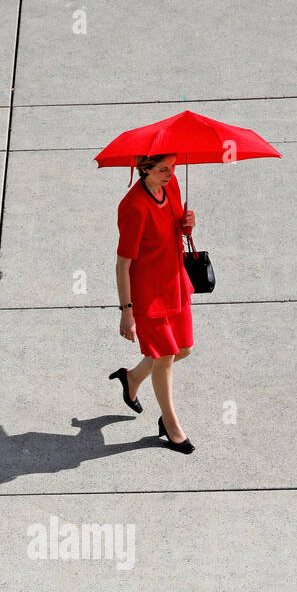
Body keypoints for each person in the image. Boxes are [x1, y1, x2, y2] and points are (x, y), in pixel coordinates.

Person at [109, 152, 196, 453]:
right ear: (144, 170)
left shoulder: (170, 188)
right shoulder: (133, 208)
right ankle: (171, 425)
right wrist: (126, 312)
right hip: (148, 296)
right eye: (163, 170)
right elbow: (122, 264)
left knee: (182, 349)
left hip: (176, 283)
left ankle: (132, 378)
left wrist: (187, 225)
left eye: (172, 168)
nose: (170, 174)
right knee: (166, 356)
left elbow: (173, 232)